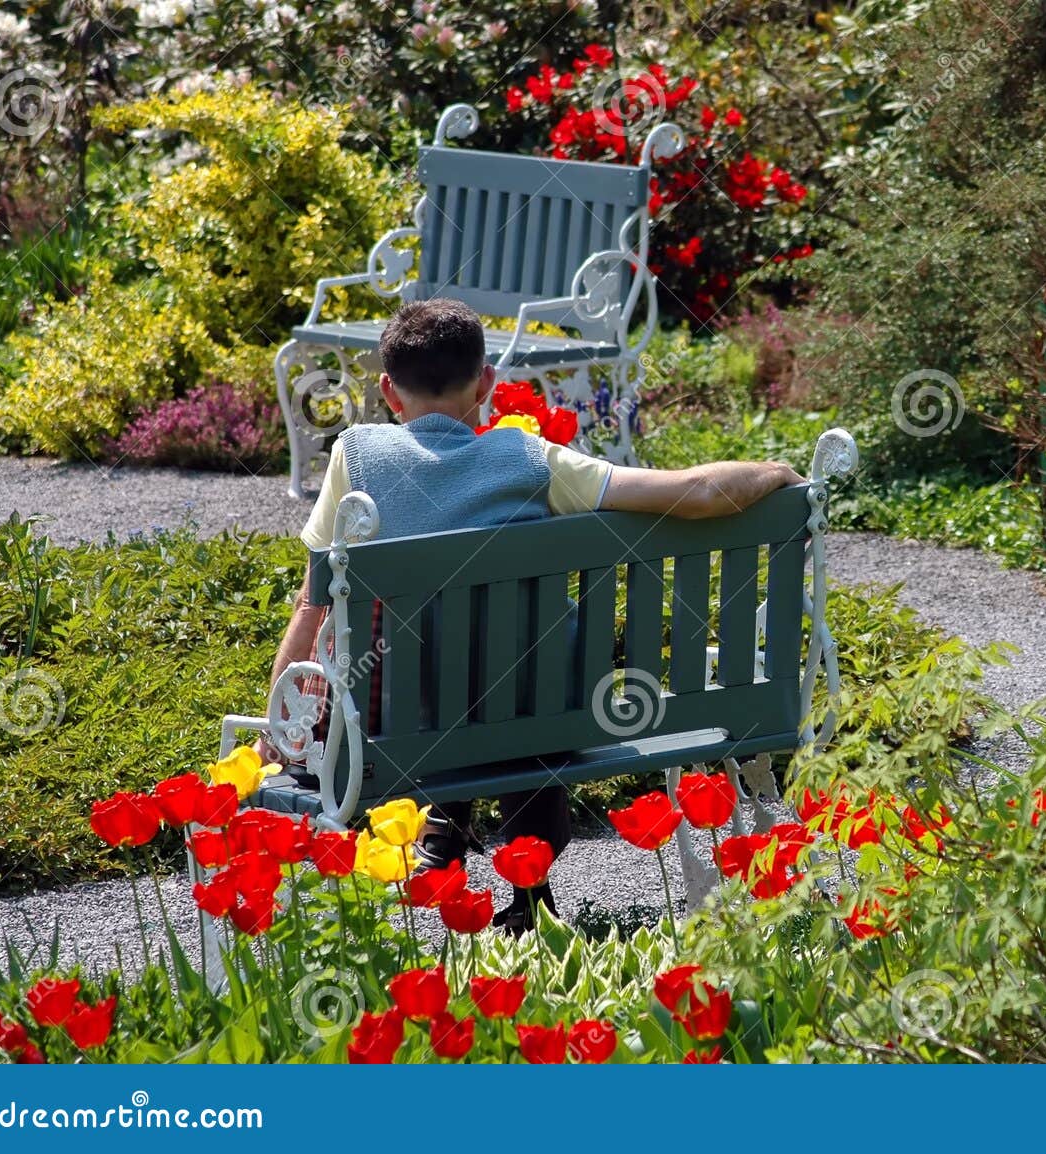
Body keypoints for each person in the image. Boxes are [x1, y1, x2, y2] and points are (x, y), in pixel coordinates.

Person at [261, 298, 804, 932]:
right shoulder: (531, 461)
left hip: (400, 732)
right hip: (544, 719)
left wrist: (279, 725)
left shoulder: (356, 458)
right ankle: (526, 884)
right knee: (517, 661)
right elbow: (697, 492)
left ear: (387, 391)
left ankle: (447, 831)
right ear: (486, 382)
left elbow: (313, 603)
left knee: (435, 659)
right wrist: (777, 471)